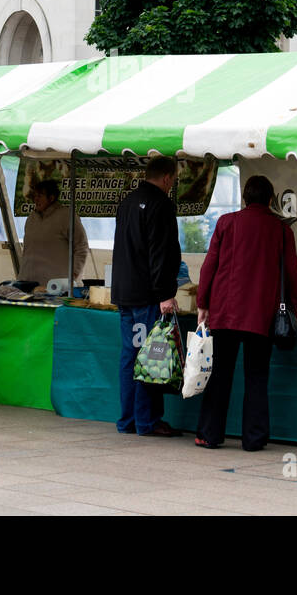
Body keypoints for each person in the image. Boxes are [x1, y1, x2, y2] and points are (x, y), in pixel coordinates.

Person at [195, 176, 297, 451]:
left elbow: (210, 266)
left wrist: (202, 302)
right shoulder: (281, 230)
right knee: (257, 376)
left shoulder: (226, 223)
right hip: (261, 314)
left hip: (225, 311)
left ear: (244, 197)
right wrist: (293, 303)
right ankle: (254, 439)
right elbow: (291, 273)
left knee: (219, 374)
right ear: (270, 199)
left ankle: (209, 434)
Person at [112, 156, 182, 437]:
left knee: (130, 355)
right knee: (150, 356)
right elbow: (160, 253)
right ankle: (147, 421)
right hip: (146, 297)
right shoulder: (160, 204)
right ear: (167, 178)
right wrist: (165, 294)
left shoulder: (127, 202)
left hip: (125, 294)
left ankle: (128, 420)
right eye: (173, 180)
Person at [21, 179, 89, 288]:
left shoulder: (67, 216)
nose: (36, 199)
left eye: (40, 195)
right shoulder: (31, 219)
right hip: (30, 285)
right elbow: (27, 250)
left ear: (51, 198)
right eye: (35, 195)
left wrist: (73, 274)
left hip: (57, 287)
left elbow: (82, 247)